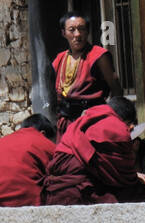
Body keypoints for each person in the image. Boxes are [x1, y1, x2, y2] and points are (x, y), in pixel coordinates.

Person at [41, 101, 145, 206]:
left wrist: (135, 176)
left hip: (53, 193)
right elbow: (120, 174)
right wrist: (133, 177)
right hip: (78, 195)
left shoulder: (80, 122)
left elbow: (104, 167)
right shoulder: (116, 130)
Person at [51, 12, 121, 141]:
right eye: (72, 30)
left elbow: (115, 88)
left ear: (87, 32)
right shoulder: (59, 59)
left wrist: (114, 119)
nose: (77, 34)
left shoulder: (98, 56)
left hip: (91, 122)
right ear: (63, 33)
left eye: (81, 29)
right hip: (66, 123)